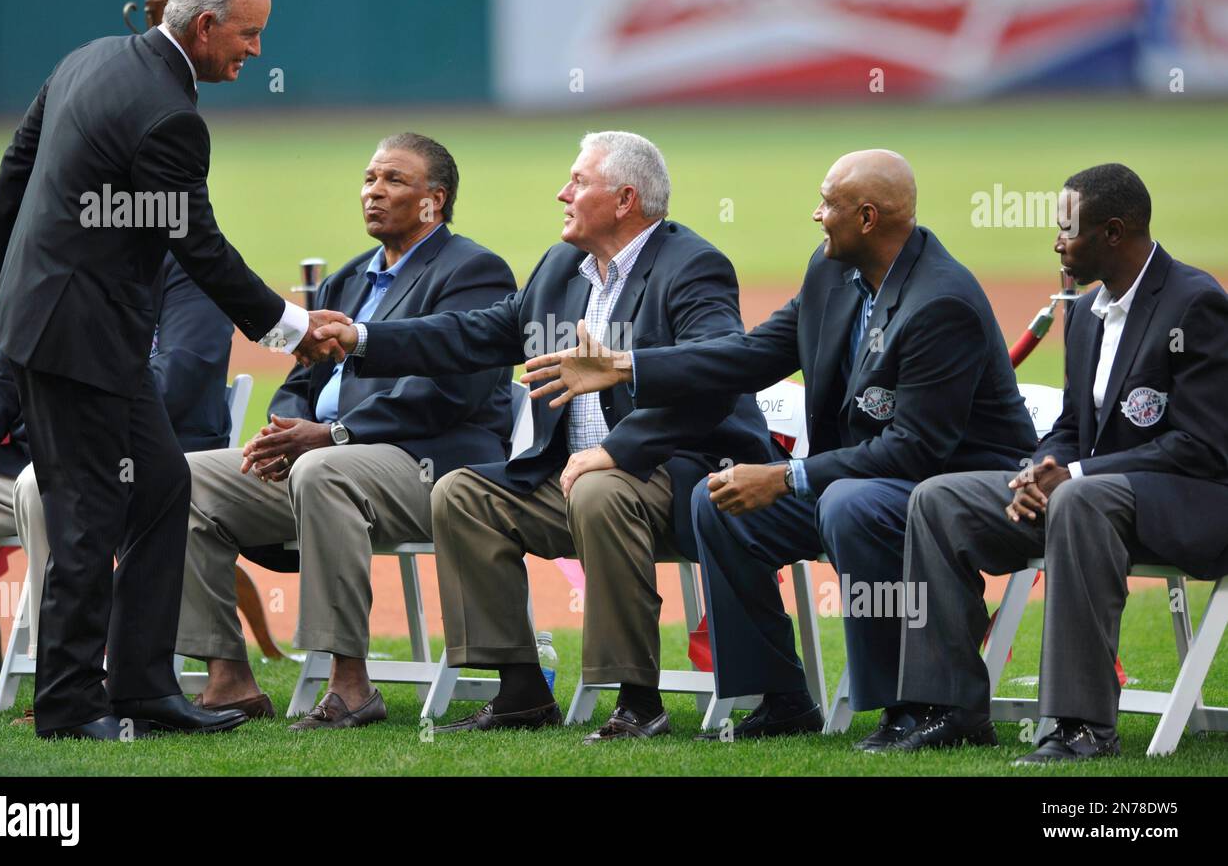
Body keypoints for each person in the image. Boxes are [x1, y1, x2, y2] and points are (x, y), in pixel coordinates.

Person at [522, 149, 1036, 744]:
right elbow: (750, 354)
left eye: (828, 204)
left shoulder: (940, 302)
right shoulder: (833, 274)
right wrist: (627, 366)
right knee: (719, 500)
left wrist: (787, 477)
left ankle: (916, 705)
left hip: (954, 490)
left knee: (849, 503)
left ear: (867, 218)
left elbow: (913, 451)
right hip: (860, 480)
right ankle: (781, 696)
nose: (816, 215)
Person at [0, 0, 348, 740]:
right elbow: (199, 246)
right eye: (248, 36)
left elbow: (17, 160)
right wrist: (290, 328)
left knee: (164, 485)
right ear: (205, 26)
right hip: (77, 338)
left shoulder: (91, 58)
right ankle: (72, 707)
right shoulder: (172, 116)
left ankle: (142, 687)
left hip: (74, 328)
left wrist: (6, 281)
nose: (256, 52)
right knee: (88, 515)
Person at [315, 131, 775, 742]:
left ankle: (639, 701)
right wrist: (365, 338)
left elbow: (715, 374)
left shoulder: (691, 266)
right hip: (571, 477)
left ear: (624, 199)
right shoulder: (564, 268)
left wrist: (615, 451)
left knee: (601, 490)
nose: (562, 192)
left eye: (578, 183)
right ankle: (522, 689)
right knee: (459, 495)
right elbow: (479, 333)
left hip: (676, 473)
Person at [176, 133, 516, 729]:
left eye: (392, 180)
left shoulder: (475, 271)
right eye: (368, 179)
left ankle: (351, 685)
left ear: (435, 200)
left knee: (321, 468)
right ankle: (229, 676)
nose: (373, 192)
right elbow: (300, 380)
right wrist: (284, 428)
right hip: (322, 461)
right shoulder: (347, 281)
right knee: (180, 479)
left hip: (430, 468)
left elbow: (450, 394)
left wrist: (333, 435)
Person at [894, 163, 1228, 764]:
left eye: (1067, 230)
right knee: (938, 499)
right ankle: (948, 710)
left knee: (1076, 498)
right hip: (1095, 502)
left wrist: (1072, 477)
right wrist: (1039, 468)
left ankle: (1081, 728)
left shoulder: (1196, 303)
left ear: (1114, 233)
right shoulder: (1085, 309)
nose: (1055, 242)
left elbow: (1202, 447)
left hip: (1194, 504)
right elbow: (1074, 427)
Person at [0, 255, 235, 714]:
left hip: (141, 460)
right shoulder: (53, 267)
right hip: (32, 460)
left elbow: (181, 373)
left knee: (49, 480)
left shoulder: (186, 269)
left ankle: (67, 679)